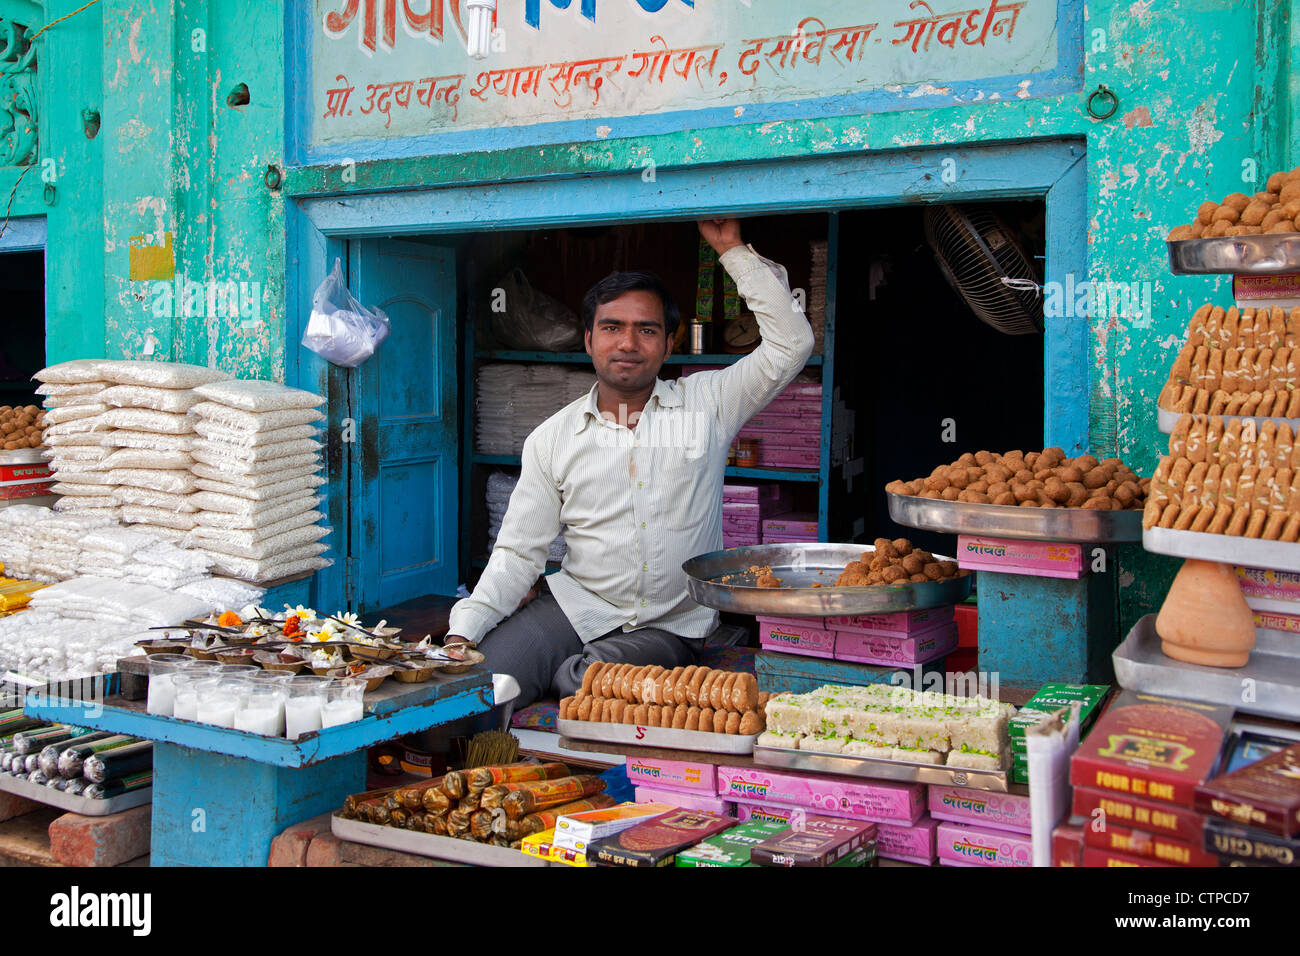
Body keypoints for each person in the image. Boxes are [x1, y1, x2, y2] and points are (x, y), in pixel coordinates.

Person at [445, 218, 814, 707]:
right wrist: (463, 632)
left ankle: (571, 677)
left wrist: (731, 249)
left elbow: (792, 344)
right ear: (589, 340)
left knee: (587, 682)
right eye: (612, 328)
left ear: (667, 343)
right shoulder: (552, 438)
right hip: (577, 605)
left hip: (670, 623)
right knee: (481, 684)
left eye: (646, 330)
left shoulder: (708, 404)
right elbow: (517, 554)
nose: (627, 343)